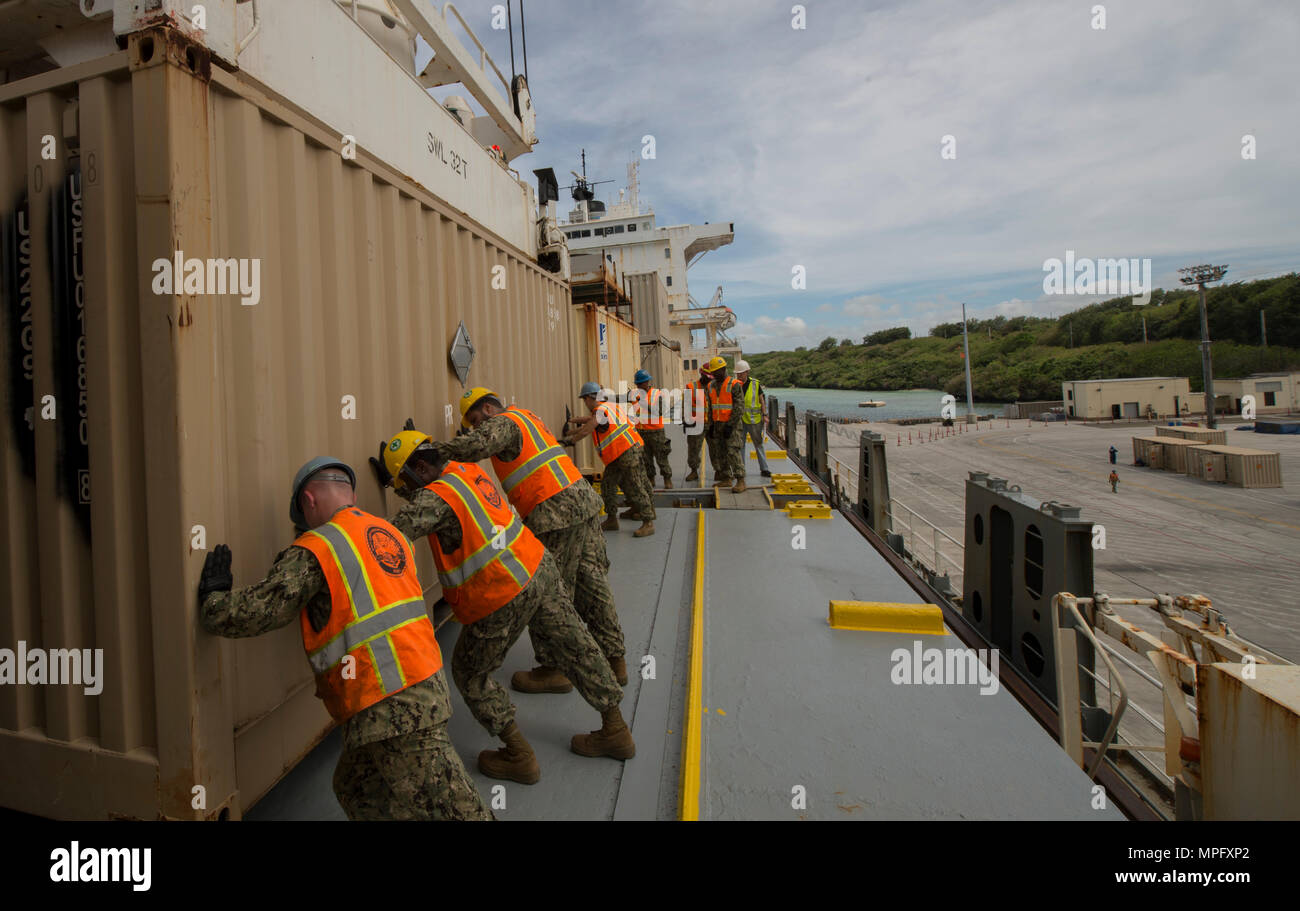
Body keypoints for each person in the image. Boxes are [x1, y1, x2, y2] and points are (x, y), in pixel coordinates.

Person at [198, 457, 491, 821]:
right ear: (350, 493)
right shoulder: (388, 533)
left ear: (309, 500)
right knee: (358, 787)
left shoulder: (318, 547)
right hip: (418, 682)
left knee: (454, 809)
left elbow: (262, 610)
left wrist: (215, 601)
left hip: (390, 704)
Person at [375, 430, 635, 785]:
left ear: (420, 467)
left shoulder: (434, 500)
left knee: (469, 672)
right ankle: (616, 728)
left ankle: (518, 755)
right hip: (537, 568)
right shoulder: (468, 471)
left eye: (404, 480)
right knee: (576, 644)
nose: (405, 489)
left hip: (502, 592)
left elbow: (389, 539)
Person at [427, 387, 628, 696]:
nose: (477, 427)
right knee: (592, 584)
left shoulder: (503, 422)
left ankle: (554, 669)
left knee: (550, 595)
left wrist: (434, 452)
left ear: (489, 409)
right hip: (581, 502)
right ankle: (616, 660)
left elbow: (477, 446)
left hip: (553, 512)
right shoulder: (526, 416)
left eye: (477, 420)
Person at [564, 382, 656, 537]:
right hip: (622, 453)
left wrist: (571, 441)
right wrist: (572, 428)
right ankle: (612, 519)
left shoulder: (601, 411)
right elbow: (591, 421)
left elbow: (588, 428)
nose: (585, 403)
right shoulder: (608, 407)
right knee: (608, 484)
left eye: (584, 400)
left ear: (588, 398)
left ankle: (648, 521)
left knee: (635, 485)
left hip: (626, 452)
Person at [703, 356, 745, 492]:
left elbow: (739, 407)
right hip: (717, 425)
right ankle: (726, 478)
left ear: (724, 369)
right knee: (720, 453)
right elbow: (710, 407)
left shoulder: (734, 384)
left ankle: (740, 480)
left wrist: (730, 425)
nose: (715, 374)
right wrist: (710, 425)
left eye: (717, 371)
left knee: (733, 451)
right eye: (713, 372)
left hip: (731, 426)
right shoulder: (711, 386)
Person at [631, 369, 673, 489]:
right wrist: (603, 394)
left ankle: (667, 479)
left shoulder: (657, 394)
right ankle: (651, 479)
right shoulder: (634, 394)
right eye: (638, 384)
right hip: (641, 432)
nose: (639, 386)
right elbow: (619, 398)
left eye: (641, 383)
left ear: (647, 382)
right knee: (646, 458)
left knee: (661, 457)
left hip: (656, 432)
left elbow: (659, 412)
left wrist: (644, 404)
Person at [735, 360, 771, 479]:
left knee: (758, 444)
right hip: (740, 420)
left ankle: (764, 469)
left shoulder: (755, 384)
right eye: (737, 373)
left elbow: (761, 400)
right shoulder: (735, 384)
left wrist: (765, 414)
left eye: (741, 373)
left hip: (754, 421)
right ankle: (741, 469)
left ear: (747, 372)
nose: (739, 375)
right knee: (741, 445)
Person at [683, 365, 710, 483]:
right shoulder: (691, 387)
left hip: (711, 423)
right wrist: (686, 421)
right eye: (707, 376)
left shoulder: (714, 387)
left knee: (716, 448)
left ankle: (721, 471)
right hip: (696, 423)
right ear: (701, 374)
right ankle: (694, 471)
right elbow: (686, 405)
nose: (709, 379)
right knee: (693, 449)